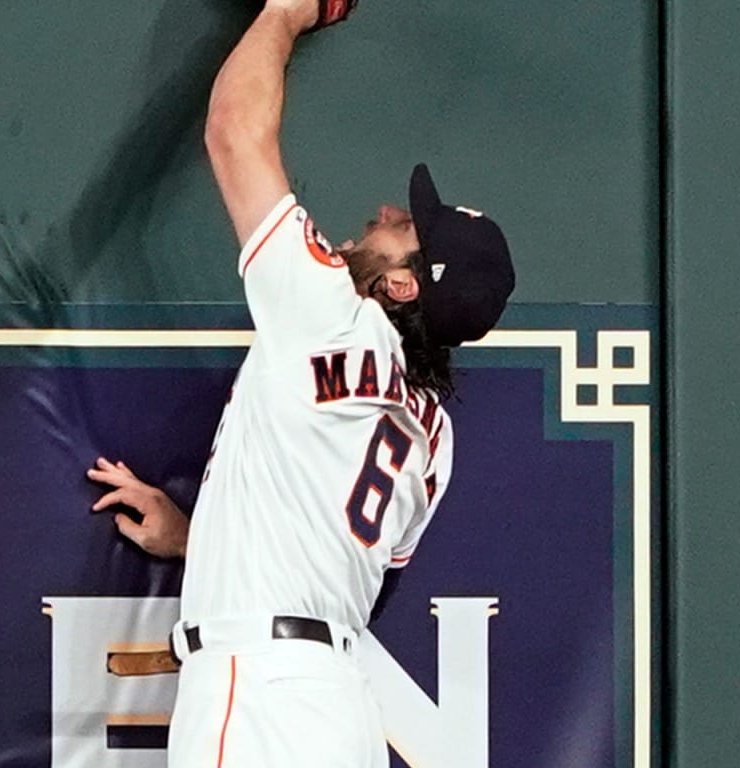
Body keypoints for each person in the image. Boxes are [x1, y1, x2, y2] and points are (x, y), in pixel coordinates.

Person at [86, 0, 514, 764]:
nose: (387, 212)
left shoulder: (330, 314)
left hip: (259, 693)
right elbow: (332, 566)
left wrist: (288, 11)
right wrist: (199, 540)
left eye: (407, 229)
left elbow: (234, 133)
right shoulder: (433, 436)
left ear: (404, 286)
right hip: (338, 709)